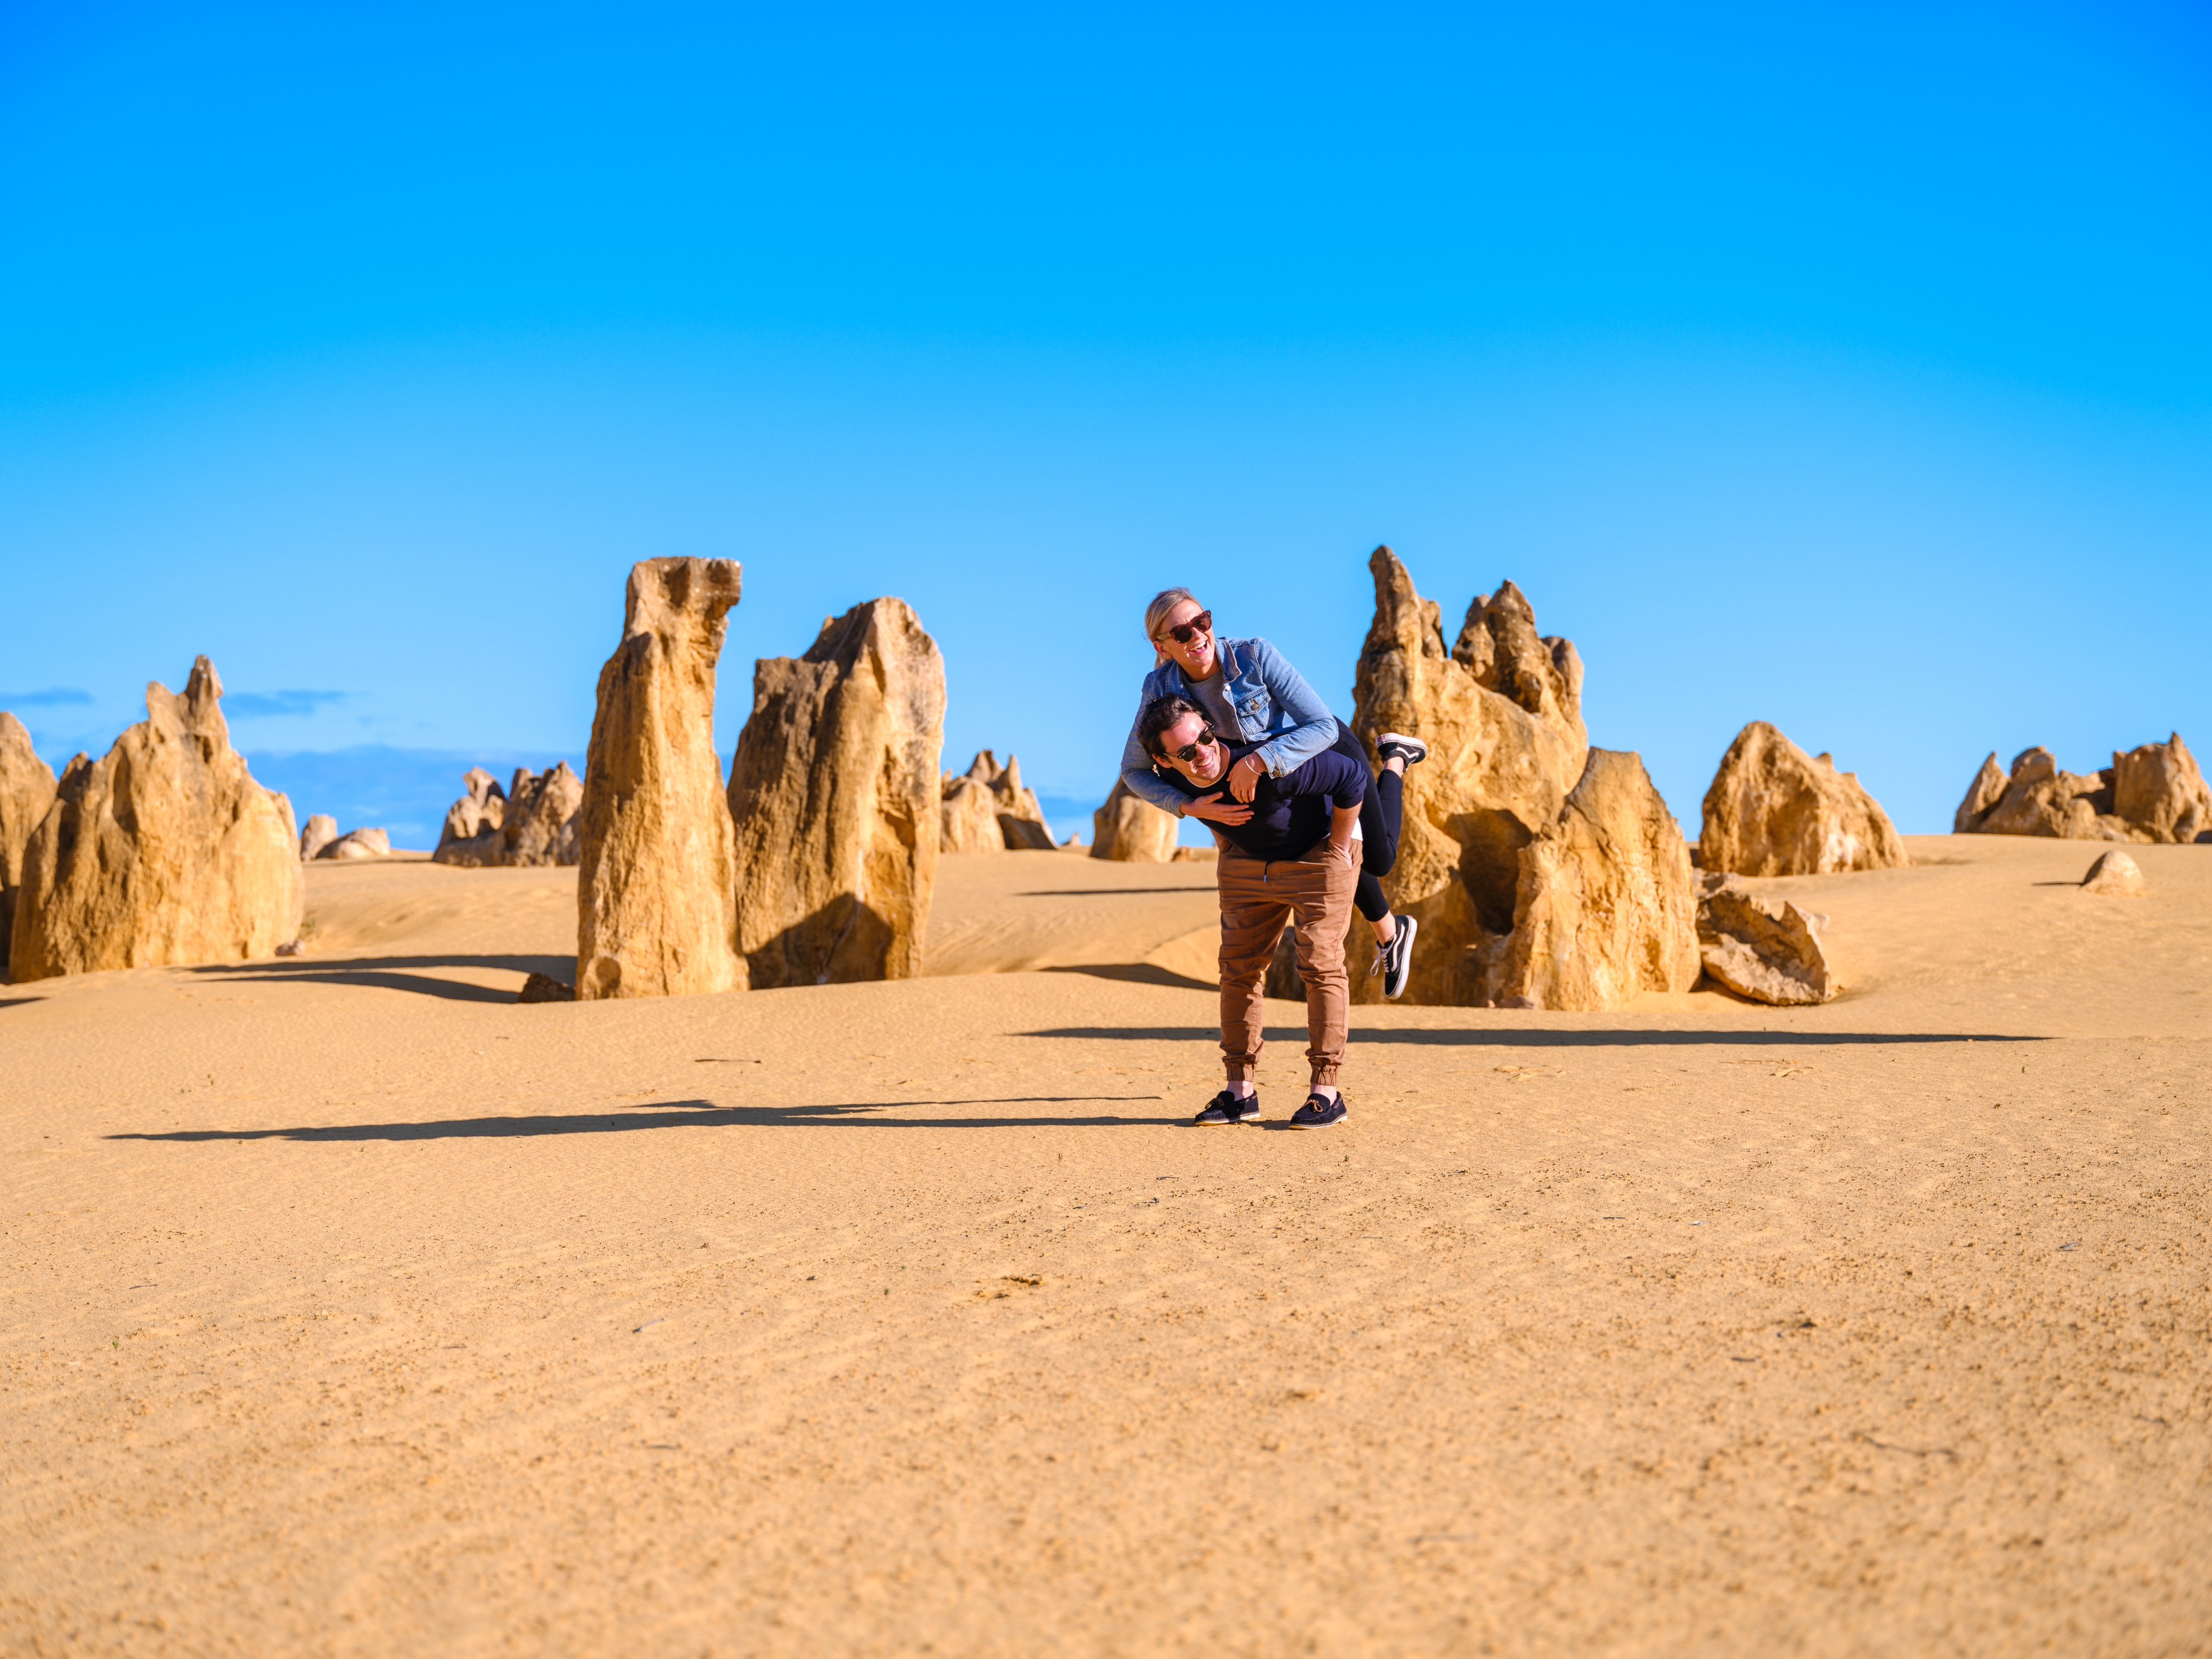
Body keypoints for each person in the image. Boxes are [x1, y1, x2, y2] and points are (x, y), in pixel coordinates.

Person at [1117, 588, 1429, 997]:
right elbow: (1132, 769)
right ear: (1162, 645)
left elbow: (1323, 726)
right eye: (1180, 632)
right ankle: (1392, 933)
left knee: (1381, 857)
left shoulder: (1254, 656)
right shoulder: (1159, 689)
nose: (1196, 635)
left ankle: (1395, 759)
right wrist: (1186, 804)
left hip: (1325, 754)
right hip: (1283, 787)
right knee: (1325, 843)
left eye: (1201, 621)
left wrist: (1257, 761)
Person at [1136, 694, 1368, 1127]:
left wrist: (1338, 848)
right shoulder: (1179, 784)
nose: (1202, 752)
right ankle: (1239, 1092)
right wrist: (1219, 838)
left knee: (1319, 961)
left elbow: (1352, 777)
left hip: (1318, 851)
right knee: (1238, 969)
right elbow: (1136, 777)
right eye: (1186, 752)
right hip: (1248, 862)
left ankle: (1326, 1091)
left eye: (1205, 737)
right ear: (1164, 761)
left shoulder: (1269, 769)